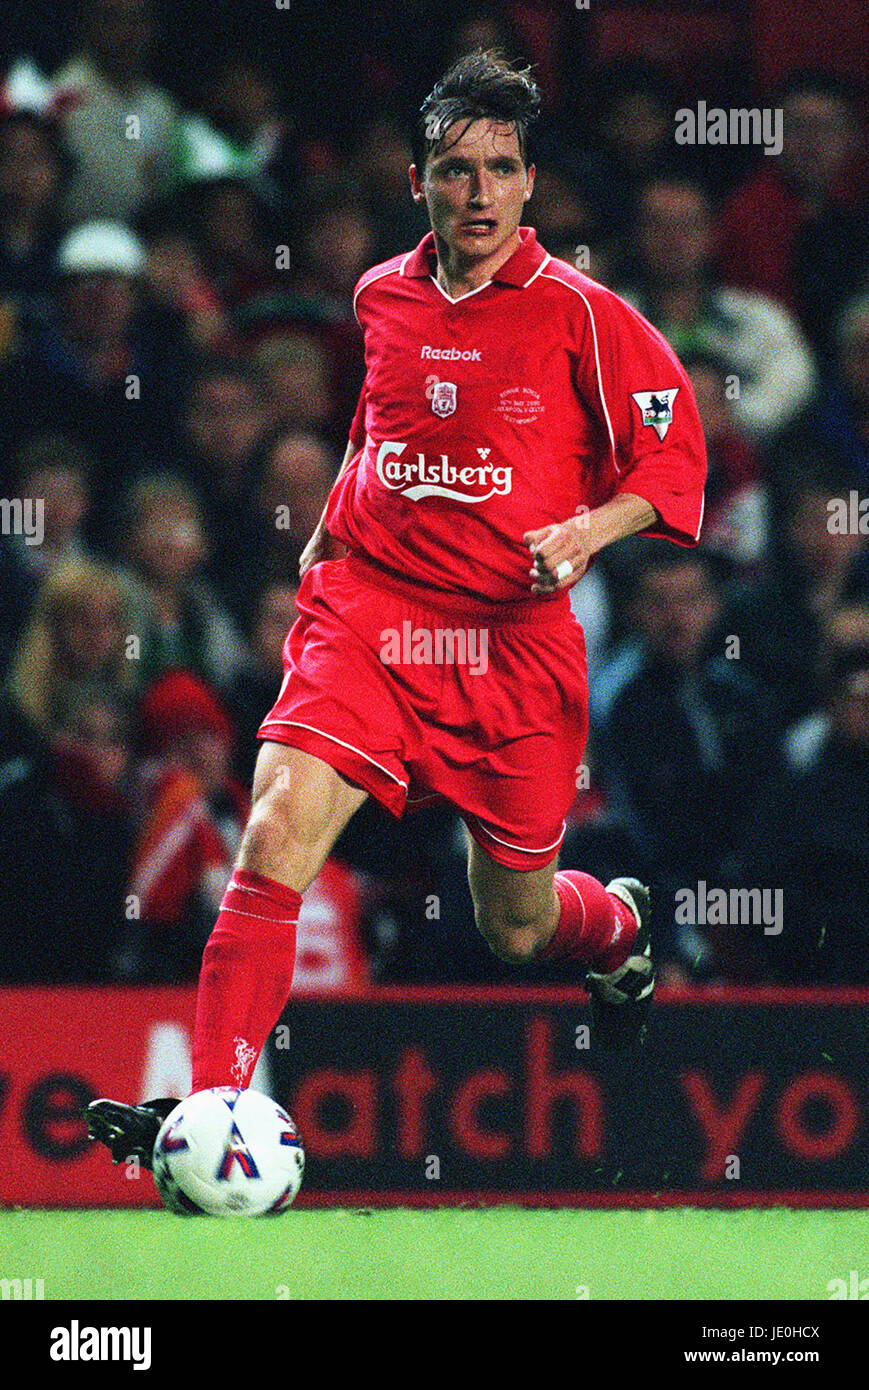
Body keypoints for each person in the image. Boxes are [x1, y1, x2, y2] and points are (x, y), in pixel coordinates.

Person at [86, 49, 706, 1167]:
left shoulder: (585, 316)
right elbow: (379, 433)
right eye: (453, 171)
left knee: (512, 926)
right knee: (275, 831)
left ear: (528, 184)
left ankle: (614, 927)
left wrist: (585, 530)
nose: (476, 194)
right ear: (417, 181)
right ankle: (215, 1106)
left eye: (498, 170)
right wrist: (329, 524)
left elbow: (671, 458)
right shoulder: (380, 294)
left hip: (509, 648)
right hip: (369, 614)